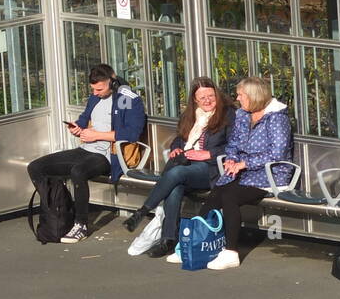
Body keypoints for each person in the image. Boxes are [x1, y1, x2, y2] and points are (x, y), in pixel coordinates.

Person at [27, 63, 146, 243]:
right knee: (36, 167)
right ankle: (58, 212)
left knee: (78, 171)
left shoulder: (126, 98)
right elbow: (84, 118)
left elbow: (132, 133)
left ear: (112, 82)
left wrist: (97, 135)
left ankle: (80, 224)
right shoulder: (95, 98)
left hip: (109, 155)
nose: (95, 93)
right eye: (93, 89)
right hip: (86, 149)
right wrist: (77, 127)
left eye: (99, 89)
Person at [123, 78, 232, 259]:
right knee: (175, 186)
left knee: (176, 172)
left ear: (217, 95)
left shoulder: (229, 115)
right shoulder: (190, 115)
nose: (207, 100)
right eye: (202, 97)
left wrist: (209, 154)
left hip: (211, 168)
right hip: (186, 163)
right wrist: (176, 149)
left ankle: (142, 212)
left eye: (211, 96)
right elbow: (179, 138)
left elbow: (235, 145)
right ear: (195, 100)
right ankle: (168, 239)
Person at [193, 76, 294, 271]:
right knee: (218, 192)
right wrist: (231, 158)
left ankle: (231, 252)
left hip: (271, 175)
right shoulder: (242, 115)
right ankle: (196, 241)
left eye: (241, 95)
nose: (238, 99)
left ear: (254, 96)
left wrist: (244, 163)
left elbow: (277, 153)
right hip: (244, 171)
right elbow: (234, 143)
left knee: (230, 196)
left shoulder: (277, 118)